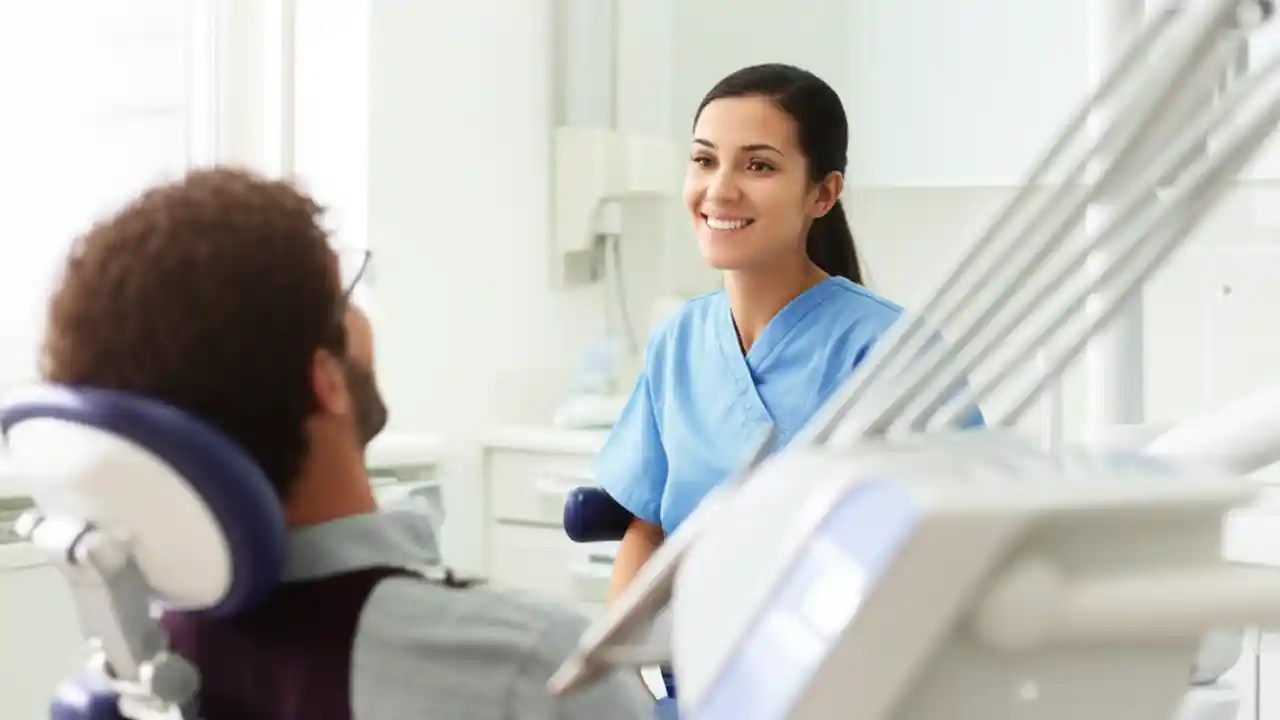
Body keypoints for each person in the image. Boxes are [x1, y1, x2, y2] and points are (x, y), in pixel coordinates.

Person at [40, 167, 651, 720]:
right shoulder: (531, 669)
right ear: (325, 382)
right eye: (349, 294)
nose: (367, 319)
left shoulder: (139, 679)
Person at [598, 63, 984, 625]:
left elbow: (955, 539)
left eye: (758, 165)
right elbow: (646, 528)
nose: (720, 189)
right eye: (704, 160)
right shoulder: (679, 340)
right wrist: (618, 681)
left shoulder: (887, 348)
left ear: (823, 194)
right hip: (696, 668)